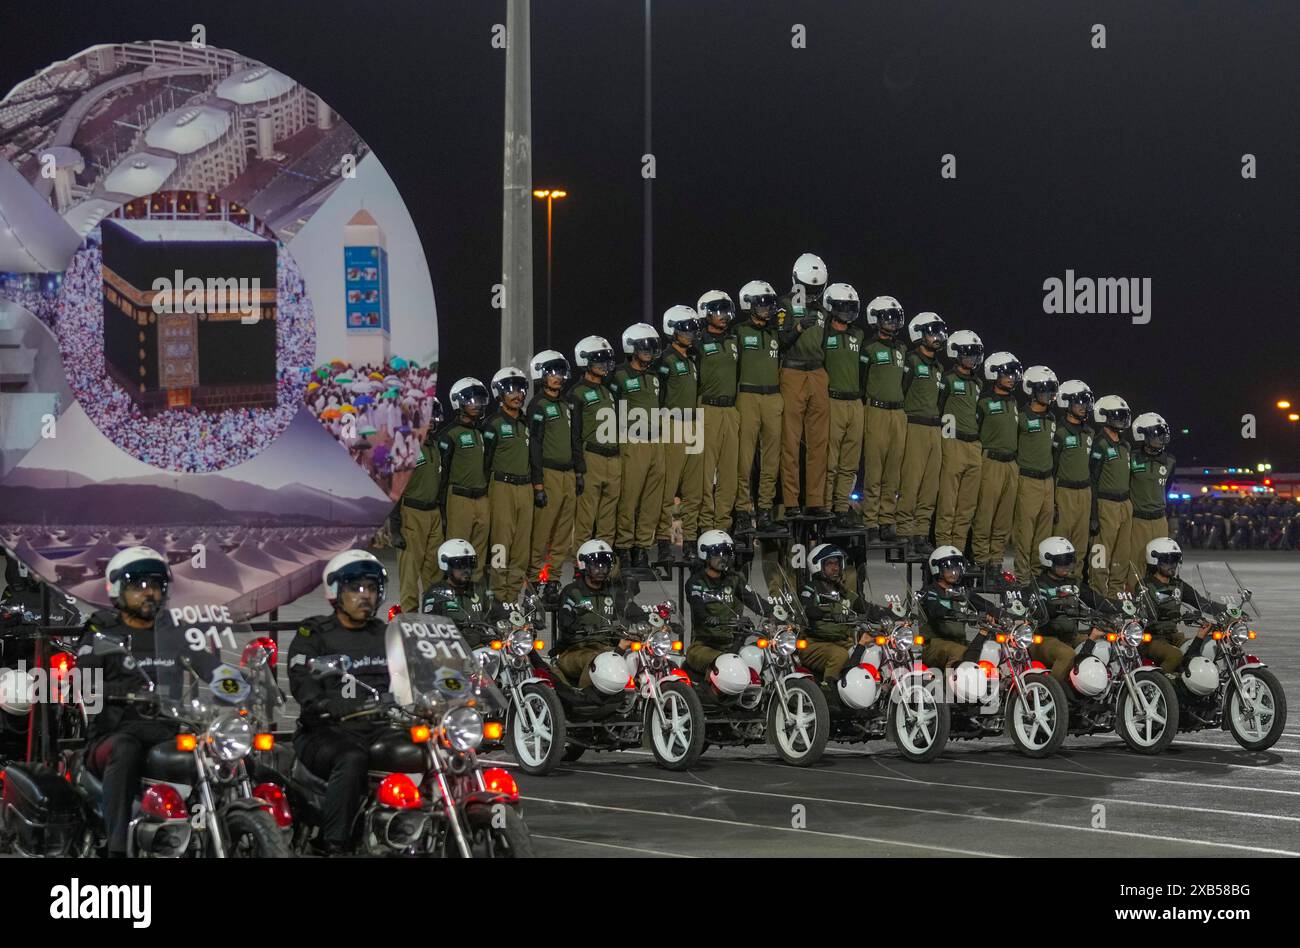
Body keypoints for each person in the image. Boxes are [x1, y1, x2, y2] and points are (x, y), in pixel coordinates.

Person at [288, 551, 394, 855]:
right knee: (351, 759)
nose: (366, 597)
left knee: (424, 750)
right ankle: (333, 843)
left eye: (372, 589)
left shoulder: (386, 634)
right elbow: (300, 676)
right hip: (325, 731)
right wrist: (321, 702)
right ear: (336, 592)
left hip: (378, 726)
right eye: (356, 589)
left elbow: (414, 669)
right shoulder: (315, 633)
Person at [77, 547, 177, 858]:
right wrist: (122, 692)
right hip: (113, 733)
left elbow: (205, 662)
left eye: (156, 586)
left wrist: (231, 681)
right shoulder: (101, 629)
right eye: (139, 585)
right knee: (126, 749)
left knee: (218, 747)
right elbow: (84, 679)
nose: (149, 593)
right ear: (117, 589)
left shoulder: (171, 628)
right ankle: (117, 848)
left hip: (165, 728)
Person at [777, 253, 831, 520]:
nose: (811, 293)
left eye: (815, 289)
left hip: (817, 373)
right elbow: (780, 341)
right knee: (790, 440)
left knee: (819, 442)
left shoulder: (822, 311)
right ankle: (790, 501)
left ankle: (815, 500)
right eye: (807, 288)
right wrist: (797, 327)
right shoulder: (785, 304)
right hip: (793, 371)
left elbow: (825, 346)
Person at [611, 323, 666, 569]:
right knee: (629, 497)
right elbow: (610, 409)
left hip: (656, 441)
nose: (648, 351)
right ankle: (624, 546)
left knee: (652, 499)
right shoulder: (619, 375)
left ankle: (642, 546)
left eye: (652, 347)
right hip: (632, 441)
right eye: (644, 346)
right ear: (631, 347)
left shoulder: (654, 376)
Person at [553, 540, 644, 687]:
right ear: (584, 565)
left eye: (605, 565)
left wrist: (652, 619)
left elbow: (633, 610)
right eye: (596, 565)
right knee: (598, 662)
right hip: (575, 650)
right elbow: (564, 622)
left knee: (638, 658)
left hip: (606, 648)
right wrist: (583, 628)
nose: (601, 569)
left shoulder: (613, 591)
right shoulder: (573, 592)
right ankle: (586, 702)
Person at [732, 280, 784, 533]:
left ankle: (764, 509)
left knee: (771, 460)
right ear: (748, 304)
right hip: (747, 396)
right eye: (760, 303)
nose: (766, 309)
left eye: (768, 304)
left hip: (773, 396)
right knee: (744, 459)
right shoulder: (739, 332)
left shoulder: (775, 333)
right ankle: (742, 510)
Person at [895, 312, 949, 553]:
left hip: (934, 428)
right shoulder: (911, 360)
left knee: (930, 486)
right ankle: (905, 532)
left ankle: (920, 533)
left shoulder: (938, 367)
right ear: (919, 333)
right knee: (911, 481)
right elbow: (901, 390)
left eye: (939, 332)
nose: (937, 337)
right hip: (914, 425)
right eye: (931, 332)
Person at [798, 544, 891, 682]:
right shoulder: (811, 589)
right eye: (829, 564)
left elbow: (865, 607)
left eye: (837, 563)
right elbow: (809, 610)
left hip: (842, 641)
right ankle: (829, 690)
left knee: (872, 651)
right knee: (839, 655)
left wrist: (891, 613)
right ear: (818, 566)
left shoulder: (843, 592)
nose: (835, 568)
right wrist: (829, 613)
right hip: (814, 643)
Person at [526, 350, 581, 582]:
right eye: (551, 373)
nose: (557, 377)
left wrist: (579, 472)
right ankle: (531, 581)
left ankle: (554, 579)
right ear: (541, 375)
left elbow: (575, 440)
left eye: (559, 372)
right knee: (542, 532)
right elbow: (534, 446)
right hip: (548, 474)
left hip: (568, 474)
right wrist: (538, 484)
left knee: (562, 534)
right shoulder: (537, 405)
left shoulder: (568, 403)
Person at [683, 530, 769, 676]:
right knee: (725, 665)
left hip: (733, 643)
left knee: (759, 658)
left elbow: (753, 600)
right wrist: (707, 618)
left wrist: (774, 612)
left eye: (727, 553)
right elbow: (697, 608)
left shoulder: (734, 579)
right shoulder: (696, 582)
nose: (723, 558)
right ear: (705, 555)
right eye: (718, 554)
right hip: (704, 645)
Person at [655, 306, 704, 562]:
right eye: (685, 328)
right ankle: (663, 542)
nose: (690, 333)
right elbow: (658, 397)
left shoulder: (691, 358)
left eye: (692, 328)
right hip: (672, 424)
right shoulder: (665, 360)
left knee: (694, 491)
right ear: (671, 329)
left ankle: (691, 541)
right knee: (668, 488)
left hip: (694, 424)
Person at [1132, 538, 1222, 674]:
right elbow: (1149, 613)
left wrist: (1229, 610)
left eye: (1175, 560)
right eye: (1168, 560)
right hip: (1151, 639)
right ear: (1155, 560)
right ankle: (1159, 685)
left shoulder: (1178, 585)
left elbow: (1202, 603)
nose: (1172, 564)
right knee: (1175, 656)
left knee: (1203, 650)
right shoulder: (1144, 585)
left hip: (1174, 636)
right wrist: (1178, 614)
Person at [1027, 537, 1110, 683]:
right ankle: (1052, 694)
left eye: (1069, 560)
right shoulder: (1038, 585)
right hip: (1043, 639)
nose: (1066, 565)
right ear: (1048, 561)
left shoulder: (1074, 584)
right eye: (1061, 561)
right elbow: (1042, 610)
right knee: (1066, 654)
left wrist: (1123, 606)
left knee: (1102, 648)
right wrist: (1060, 607)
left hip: (1070, 637)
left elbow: (1097, 601)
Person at [860, 296, 909, 540]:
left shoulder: (901, 349)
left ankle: (887, 520)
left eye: (894, 317)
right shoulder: (868, 348)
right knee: (875, 468)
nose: (891, 322)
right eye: (886, 317)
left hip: (898, 413)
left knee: (893, 470)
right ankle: (870, 521)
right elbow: (861, 380)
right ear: (875, 319)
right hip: (876, 411)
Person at [970, 351, 1023, 578]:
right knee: (985, 514)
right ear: (994, 374)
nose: (1011, 377)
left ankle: (996, 561)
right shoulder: (983, 401)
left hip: (1011, 464)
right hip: (990, 461)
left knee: (1003, 518)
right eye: (1006, 373)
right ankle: (981, 560)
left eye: (1013, 373)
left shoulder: (1013, 402)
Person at [484, 368, 533, 603]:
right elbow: (484, 462)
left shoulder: (526, 423)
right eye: (511, 390)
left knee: (521, 548)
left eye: (520, 389)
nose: (517, 395)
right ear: (499, 393)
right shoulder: (492, 425)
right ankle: (497, 596)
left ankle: (512, 598)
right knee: (500, 545)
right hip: (501, 486)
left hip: (525, 488)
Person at [819, 284, 866, 527]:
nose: (847, 312)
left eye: (851, 307)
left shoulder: (858, 335)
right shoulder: (823, 334)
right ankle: (825, 508)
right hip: (832, 401)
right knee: (830, 462)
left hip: (855, 402)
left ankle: (840, 508)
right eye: (843, 307)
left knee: (849, 463)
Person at [436, 377, 491, 582]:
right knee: (456, 550)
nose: (476, 404)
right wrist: (441, 508)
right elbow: (442, 474)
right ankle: (451, 598)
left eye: (479, 400)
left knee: (478, 553)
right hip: (459, 498)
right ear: (458, 402)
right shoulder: (449, 435)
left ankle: (474, 600)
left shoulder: (481, 432)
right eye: (470, 400)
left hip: (482, 498)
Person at [695, 290, 742, 532]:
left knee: (729, 475)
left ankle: (722, 525)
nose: (723, 315)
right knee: (704, 475)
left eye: (726, 310)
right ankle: (705, 526)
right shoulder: (698, 342)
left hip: (731, 410)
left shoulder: (733, 339)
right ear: (706, 312)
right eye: (718, 310)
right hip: (708, 409)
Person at [933, 329, 984, 550]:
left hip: (974, 445)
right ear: (956, 353)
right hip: (952, 442)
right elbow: (937, 408)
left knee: (967, 505)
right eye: (968, 353)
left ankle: (959, 550)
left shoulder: (979, 384)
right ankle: (944, 549)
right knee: (948, 502)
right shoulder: (947, 379)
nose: (972, 358)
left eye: (975, 354)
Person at [569, 336, 621, 547]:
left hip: (613, 458)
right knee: (585, 517)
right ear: (585, 361)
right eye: (598, 359)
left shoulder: (608, 391)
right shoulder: (577, 393)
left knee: (608, 519)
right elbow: (574, 433)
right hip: (592, 457)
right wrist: (579, 468)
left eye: (605, 359)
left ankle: (604, 563)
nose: (604, 364)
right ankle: (581, 567)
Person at [394, 399, 445, 612]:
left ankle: (435, 620)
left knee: (434, 573)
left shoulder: (434, 446)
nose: (431, 421)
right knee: (410, 574)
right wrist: (395, 526)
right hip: (411, 513)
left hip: (433, 513)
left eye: (433, 415)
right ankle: (410, 623)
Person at [917, 546, 1001, 672]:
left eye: (956, 567)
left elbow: (987, 606)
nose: (954, 572)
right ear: (937, 569)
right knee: (960, 652)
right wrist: (964, 615)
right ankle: (949, 689)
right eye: (949, 568)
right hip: (933, 644)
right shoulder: (929, 592)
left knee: (989, 652)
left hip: (958, 641)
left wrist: (1015, 618)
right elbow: (936, 610)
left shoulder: (961, 592)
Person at [1011, 366, 1059, 581]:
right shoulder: (1020, 416)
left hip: (1047, 481)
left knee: (1043, 534)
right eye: (1045, 390)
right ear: (1032, 390)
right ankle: (1023, 579)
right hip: (1027, 479)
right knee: (1025, 534)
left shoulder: (1051, 418)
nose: (1049, 395)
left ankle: (1038, 579)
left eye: (1052, 390)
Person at [421, 538, 509, 648]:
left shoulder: (479, 589)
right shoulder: (435, 594)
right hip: (452, 651)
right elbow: (430, 631)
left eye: (470, 563)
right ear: (446, 565)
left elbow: (498, 612)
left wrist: (514, 622)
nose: (467, 569)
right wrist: (461, 636)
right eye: (460, 564)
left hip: (482, 649)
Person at [1088, 395, 1133, 596]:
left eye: (1123, 416)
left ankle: (1116, 595)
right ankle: (1099, 594)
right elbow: (1093, 479)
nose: (1122, 420)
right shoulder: (1099, 444)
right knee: (1102, 552)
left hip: (1125, 504)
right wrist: (1094, 515)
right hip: (1106, 504)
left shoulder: (1125, 446)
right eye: (1117, 415)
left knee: (1122, 555)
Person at [1051, 380, 1095, 582]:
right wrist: (1052, 499)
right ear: (1066, 403)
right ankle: (1057, 586)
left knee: (1080, 543)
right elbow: (1052, 465)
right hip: (1065, 491)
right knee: (1061, 540)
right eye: (1079, 402)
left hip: (1084, 493)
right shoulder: (1058, 431)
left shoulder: (1089, 433)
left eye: (1086, 402)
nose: (1084, 407)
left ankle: (1075, 586)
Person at [1127, 412, 1176, 590]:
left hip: (1160, 519)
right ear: (1143, 435)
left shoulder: (1169, 460)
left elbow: (1167, 486)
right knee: (1136, 562)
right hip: (1137, 520)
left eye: (1163, 434)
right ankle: (1134, 601)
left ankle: (1160, 598)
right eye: (1157, 434)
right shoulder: (1131, 458)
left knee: (1161, 562)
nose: (1162, 438)